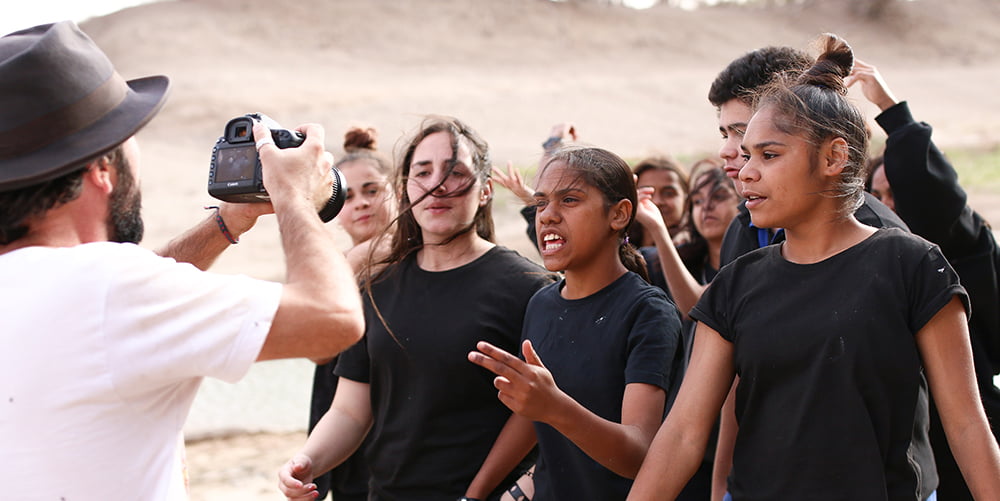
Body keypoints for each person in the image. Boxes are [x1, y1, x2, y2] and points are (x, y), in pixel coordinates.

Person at [0, 21, 365, 500]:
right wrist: (295, 195)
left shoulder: (74, 290)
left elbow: (122, 306)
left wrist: (228, 223)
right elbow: (332, 320)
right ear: (102, 168)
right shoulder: (112, 289)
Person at [627, 34, 1000, 500]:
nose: (745, 172)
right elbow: (682, 433)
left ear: (833, 157)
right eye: (746, 155)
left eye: (769, 155)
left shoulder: (911, 264)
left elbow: (967, 426)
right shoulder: (736, 283)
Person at [278, 116, 554, 501]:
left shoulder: (529, 289)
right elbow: (351, 412)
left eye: (455, 172)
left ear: (486, 190)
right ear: (406, 188)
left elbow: (549, 418)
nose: (437, 186)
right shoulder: (377, 286)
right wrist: (308, 460)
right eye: (422, 172)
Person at [468, 146, 683, 500]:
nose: (547, 216)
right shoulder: (542, 303)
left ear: (619, 214)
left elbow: (638, 453)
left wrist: (554, 406)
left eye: (569, 200)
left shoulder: (648, 312)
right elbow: (532, 413)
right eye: (540, 203)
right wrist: (474, 494)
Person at [849, 58, 1000, 501]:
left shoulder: (962, 242)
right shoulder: (872, 257)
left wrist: (893, 111)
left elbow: (930, 190)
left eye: (897, 192)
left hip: (967, 437)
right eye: (878, 195)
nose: (887, 205)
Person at [307, 126, 396, 501]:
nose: (360, 203)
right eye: (347, 195)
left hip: (392, 431)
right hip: (341, 428)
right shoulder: (337, 265)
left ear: (399, 191)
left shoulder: (422, 259)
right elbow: (318, 349)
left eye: (372, 190)